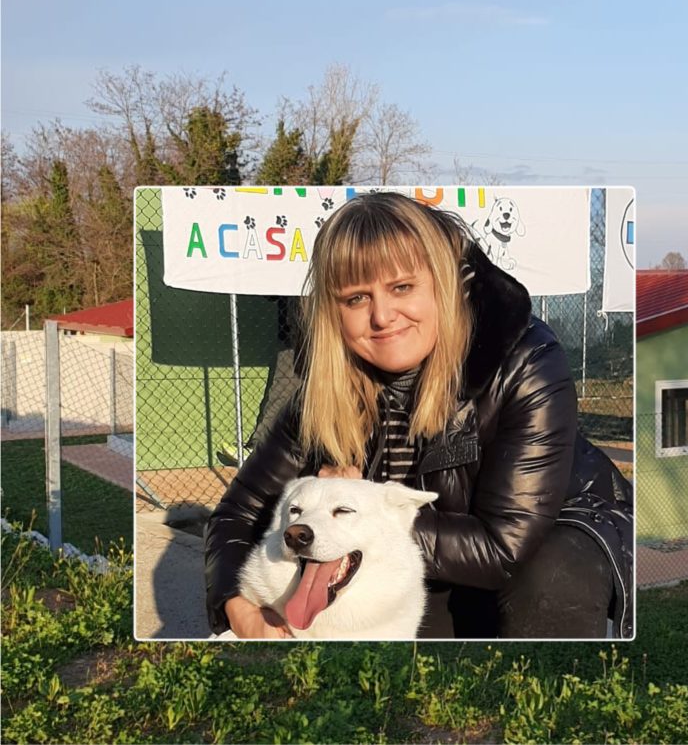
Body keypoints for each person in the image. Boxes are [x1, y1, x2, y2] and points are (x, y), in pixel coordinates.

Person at [204, 192, 633, 639]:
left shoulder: (526, 360)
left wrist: (363, 505)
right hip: (417, 558)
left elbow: (504, 547)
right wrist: (236, 603)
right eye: (355, 298)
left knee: (553, 575)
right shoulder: (326, 386)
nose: (382, 316)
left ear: (443, 284)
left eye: (402, 287)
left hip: (539, 544)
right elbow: (237, 513)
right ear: (334, 311)